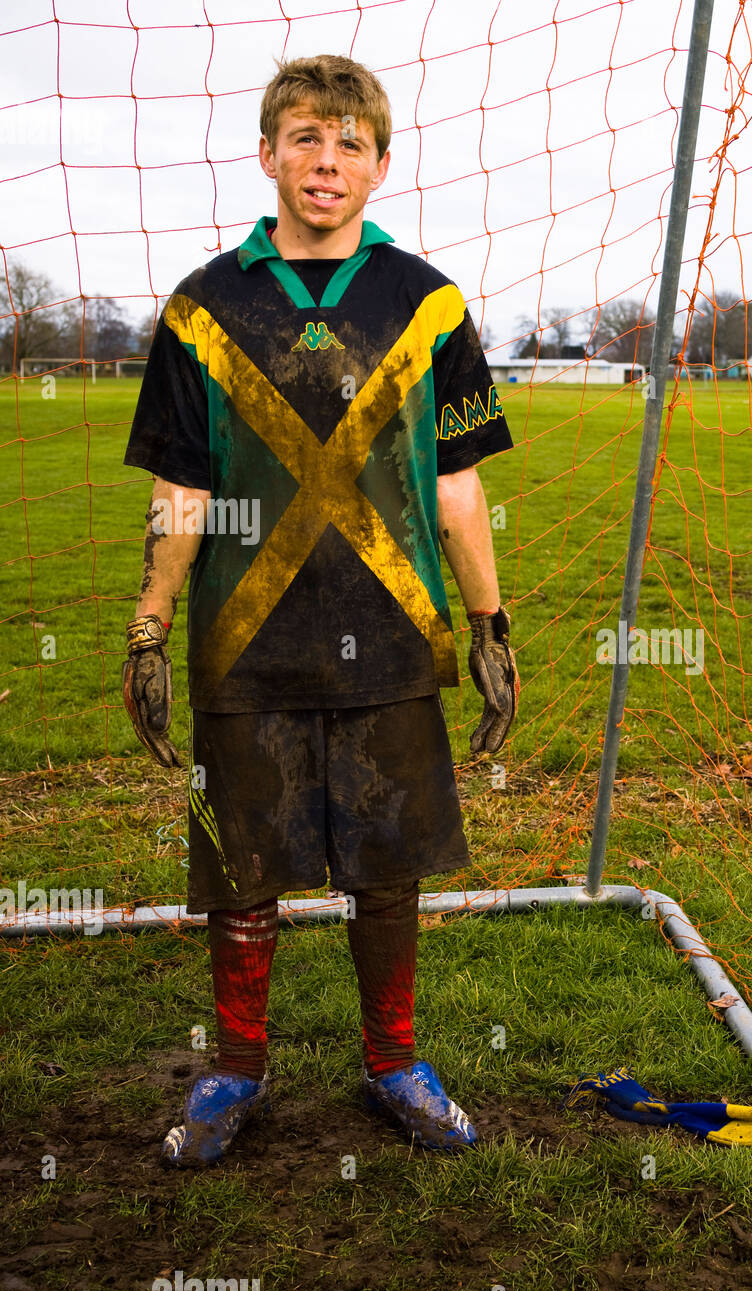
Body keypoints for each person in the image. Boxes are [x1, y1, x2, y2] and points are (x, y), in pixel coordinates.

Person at [121, 53, 518, 1167]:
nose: (326, 159)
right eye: (305, 136)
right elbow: (182, 491)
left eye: (349, 142)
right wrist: (151, 623)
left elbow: (456, 483)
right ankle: (237, 1066)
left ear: (381, 164)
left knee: (388, 864)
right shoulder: (202, 309)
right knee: (241, 868)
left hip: (392, 638)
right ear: (266, 154)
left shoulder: (426, 302)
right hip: (244, 644)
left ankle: (392, 1058)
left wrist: (489, 623)